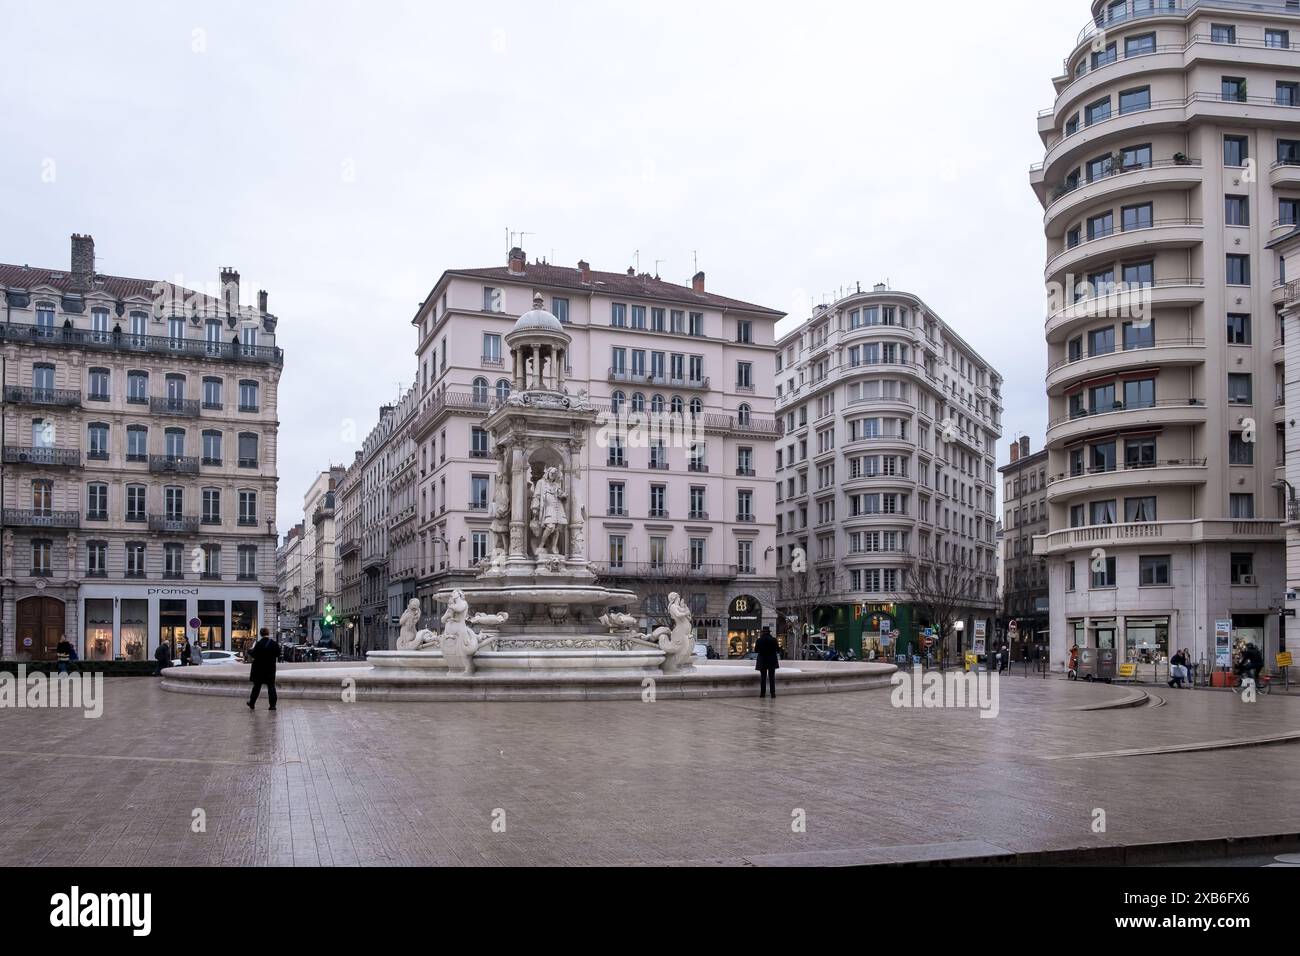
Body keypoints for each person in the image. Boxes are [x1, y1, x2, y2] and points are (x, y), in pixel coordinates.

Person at [248, 627, 280, 710]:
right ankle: (272, 705)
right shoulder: (273, 643)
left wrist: (250, 651)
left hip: (259, 669)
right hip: (270, 668)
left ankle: (252, 703)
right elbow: (278, 654)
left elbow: (254, 654)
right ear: (268, 633)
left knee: (257, 687)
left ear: (260, 634)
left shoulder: (259, 643)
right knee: (271, 686)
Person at [755, 626, 780, 699]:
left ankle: (762, 694)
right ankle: (773, 694)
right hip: (772, 661)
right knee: (772, 678)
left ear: (762, 632)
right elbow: (778, 650)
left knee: (763, 678)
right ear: (769, 632)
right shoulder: (774, 640)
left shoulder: (759, 640)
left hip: (762, 660)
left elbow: (756, 650)